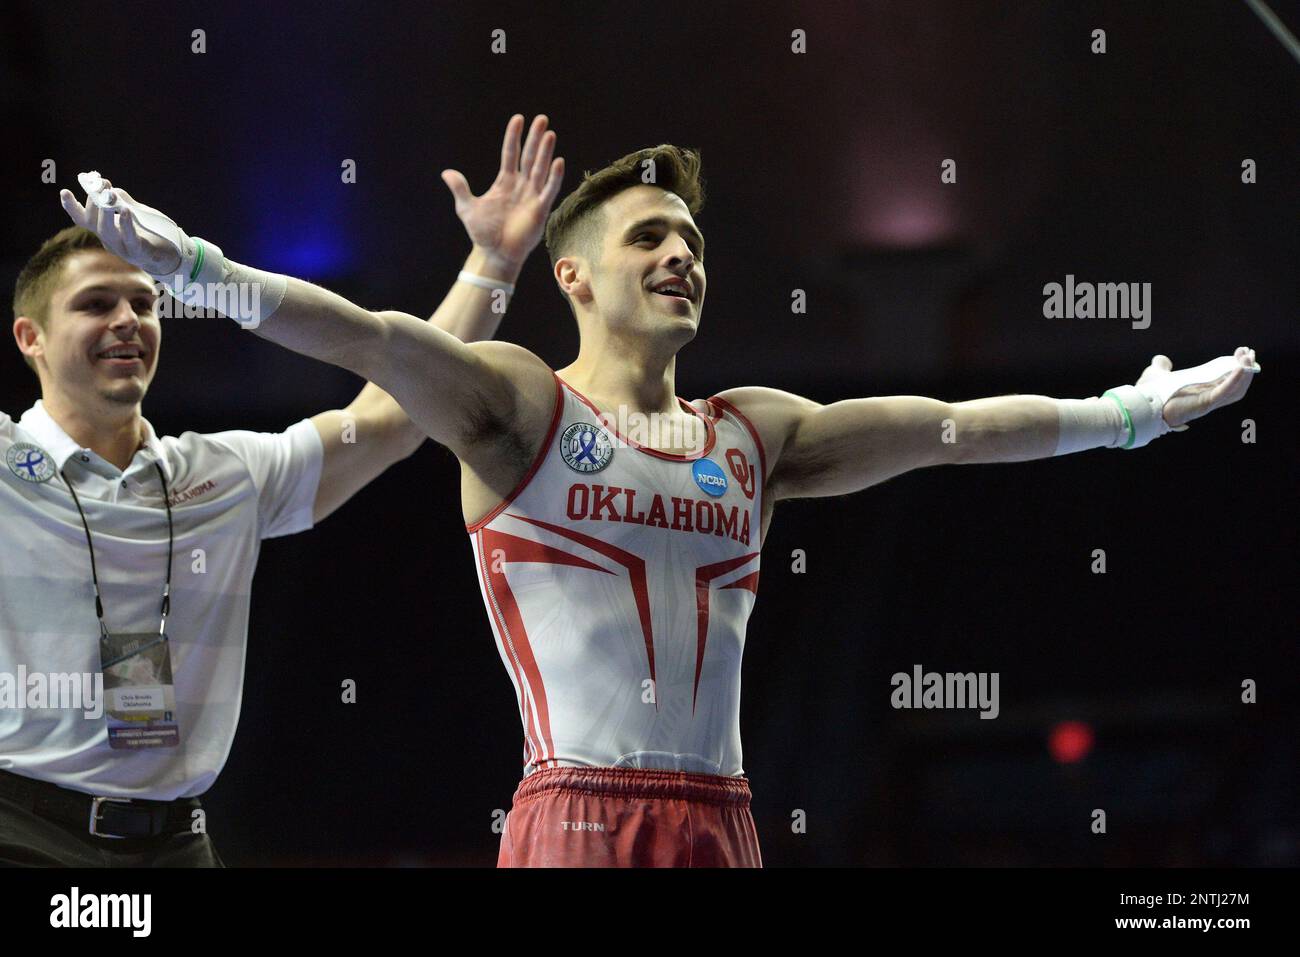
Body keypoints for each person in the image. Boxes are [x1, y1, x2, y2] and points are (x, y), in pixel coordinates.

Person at [62, 117, 1260, 867]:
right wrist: (204, 273)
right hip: (578, 820)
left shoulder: (751, 436)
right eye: (647, 237)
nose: (680, 253)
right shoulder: (523, 408)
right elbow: (375, 338)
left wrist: (1129, 416)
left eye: (688, 237)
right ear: (573, 275)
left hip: (725, 821)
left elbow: (948, 432)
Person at [0, 115, 560, 866]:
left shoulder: (225, 472)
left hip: (178, 842)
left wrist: (493, 260)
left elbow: (391, 418)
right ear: (29, 337)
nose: (127, 320)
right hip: (24, 832)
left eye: (144, 301)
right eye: (96, 304)